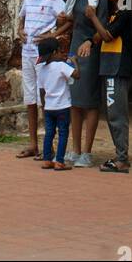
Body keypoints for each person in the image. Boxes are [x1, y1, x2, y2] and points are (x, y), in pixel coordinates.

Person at [62, 0, 108, 167]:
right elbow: (72, 19)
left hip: (91, 48)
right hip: (74, 48)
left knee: (89, 100)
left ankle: (87, 151)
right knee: (73, 99)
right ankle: (75, 148)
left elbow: (103, 29)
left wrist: (91, 40)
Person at [16, 0, 65, 159]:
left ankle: (48, 145)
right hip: (27, 53)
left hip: (42, 56)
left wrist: (52, 35)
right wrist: (20, 31)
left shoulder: (54, 0)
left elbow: (68, 20)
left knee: (45, 98)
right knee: (30, 99)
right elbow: (21, 19)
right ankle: (33, 143)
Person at [87, 0, 132, 173]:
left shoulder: (125, 14)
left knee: (117, 114)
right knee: (113, 112)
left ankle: (122, 158)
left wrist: (92, 17)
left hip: (117, 68)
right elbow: (100, 35)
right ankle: (120, 155)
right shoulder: (115, 14)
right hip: (109, 67)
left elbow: (106, 36)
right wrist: (89, 41)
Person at [36, 38, 78, 170]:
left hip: (49, 108)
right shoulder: (61, 66)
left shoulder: (41, 70)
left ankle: (47, 159)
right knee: (63, 133)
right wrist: (75, 62)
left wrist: (43, 107)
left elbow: (42, 91)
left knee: (49, 133)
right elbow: (77, 75)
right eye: (60, 51)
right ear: (55, 52)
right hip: (63, 107)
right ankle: (59, 161)